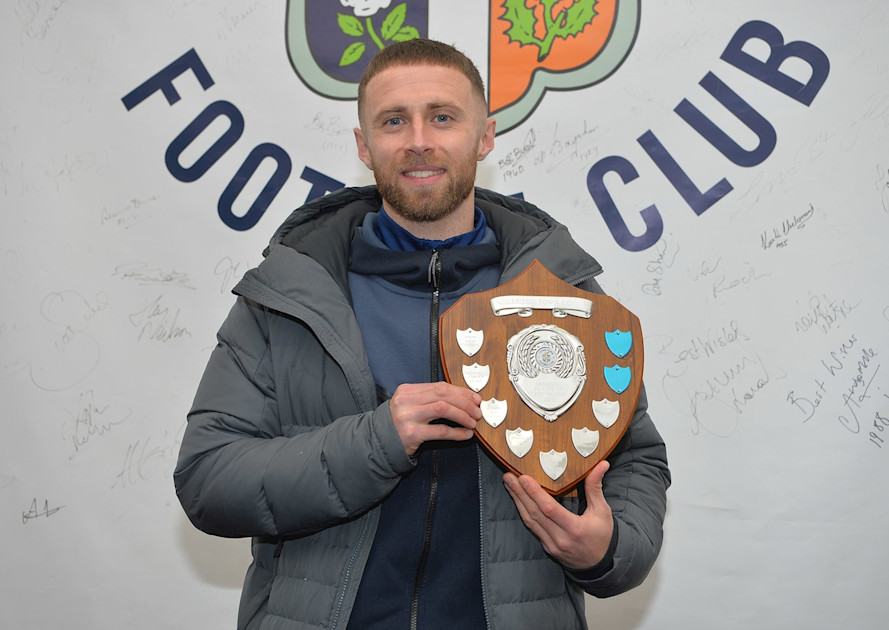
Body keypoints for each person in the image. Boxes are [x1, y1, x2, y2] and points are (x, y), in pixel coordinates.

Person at [174, 38, 670, 630]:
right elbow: (208, 478)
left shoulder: (563, 294)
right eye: (393, 121)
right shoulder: (291, 294)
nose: (418, 140)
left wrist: (609, 549)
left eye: (442, 117)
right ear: (364, 145)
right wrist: (377, 441)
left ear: (484, 135)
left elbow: (637, 458)